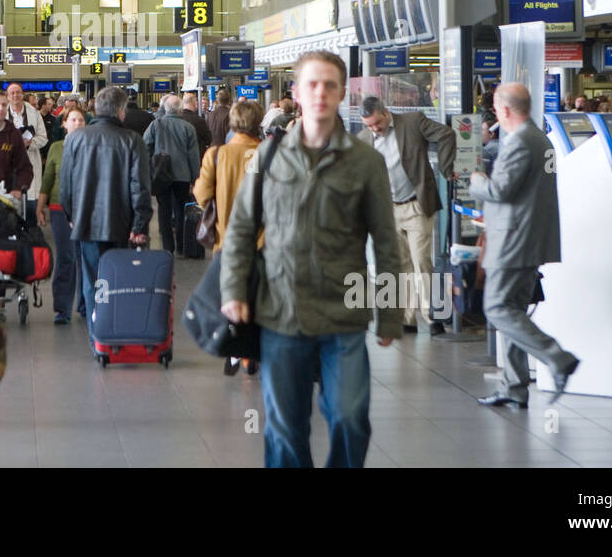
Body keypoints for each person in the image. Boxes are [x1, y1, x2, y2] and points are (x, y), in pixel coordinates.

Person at [220, 51, 402, 468]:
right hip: (282, 315)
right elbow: (242, 228)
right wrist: (233, 289)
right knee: (284, 429)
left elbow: (387, 244)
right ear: (297, 93)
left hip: (345, 317)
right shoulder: (267, 158)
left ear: (342, 94)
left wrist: (390, 315)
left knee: (351, 418)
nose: (321, 92)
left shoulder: (366, 162)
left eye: (330, 85)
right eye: (312, 84)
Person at [470, 83, 579, 408]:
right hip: (528, 238)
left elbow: (500, 190)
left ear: (503, 110)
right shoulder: (539, 138)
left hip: (513, 242)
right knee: (514, 311)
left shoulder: (520, 142)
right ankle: (514, 386)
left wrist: (477, 180)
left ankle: (557, 357)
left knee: (498, 308)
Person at [356, 96, 456, 336]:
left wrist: (446, 168)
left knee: (422, 260)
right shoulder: (364, 139)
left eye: (377, 123)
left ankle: (433, 316)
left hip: (416, 205)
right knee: (401, 265)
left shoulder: (412, 122)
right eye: (369, 125)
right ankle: (407, 318)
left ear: (386, 112)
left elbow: (446, 134)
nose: (375, 129)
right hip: (388, 209)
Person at [57, 85, 151, 335]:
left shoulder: (75, 139)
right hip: (122, 225)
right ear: (121, 111)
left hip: (86, 223)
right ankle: (117, 332)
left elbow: (65, 186)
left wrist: (70, 216)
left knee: (93, 281)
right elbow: (139, 187)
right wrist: (140, 225)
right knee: (120, 279)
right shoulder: (133, 140)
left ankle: (97, 333)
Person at [192, 99, 264, 376]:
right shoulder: (268, 154)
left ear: (232, 122)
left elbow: (201, 194)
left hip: (227, 239)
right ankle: (254, 350)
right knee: (258, 294)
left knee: (231, 294)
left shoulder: (217, 155)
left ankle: (235, 351)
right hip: (263, 240)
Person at [38, 105, 90, 324]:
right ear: (64, 124)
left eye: (80, 120)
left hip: (86, 208)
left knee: (85, 256)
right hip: (59, 208)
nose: (77, 123)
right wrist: (41, 204)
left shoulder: (92, 145)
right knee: (66, 257)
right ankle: (62, 308)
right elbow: (48, 177)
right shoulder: (56, 148)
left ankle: (85, 304)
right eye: (73, 120)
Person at [144, 94, 202, 258]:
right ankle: (182, 246)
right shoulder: (188, 127)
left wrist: (150, 164)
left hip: (162, 174)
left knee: (164, 210)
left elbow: (145, 145)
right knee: (181, 209)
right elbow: (193, 156)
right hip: (182, 176)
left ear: (165, 109)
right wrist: (194, 178)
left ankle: (168, 247)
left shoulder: (156, 124)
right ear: (180, 109)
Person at [6, 83, 48, 222]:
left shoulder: (34, 114)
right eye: (12, 93)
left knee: (29, 210)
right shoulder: (2, 113)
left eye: (18, 92)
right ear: (7, 96)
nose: (15, 95)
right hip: (7, 165)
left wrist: (30, 143)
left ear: (22, 94)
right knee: (9, 210)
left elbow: (43, 138)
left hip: (28, 162)